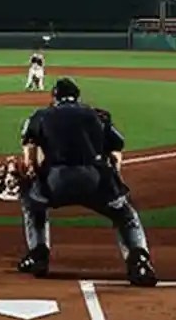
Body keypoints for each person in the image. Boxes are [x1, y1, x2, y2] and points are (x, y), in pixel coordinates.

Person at [17, 77, 157, 287]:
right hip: (94, 179)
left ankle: (38, 255)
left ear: (54, 97)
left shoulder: (40, 116)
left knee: (32, 203)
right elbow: (117, 148)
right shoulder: (98, 115)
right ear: (77, 96)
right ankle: (139, 262)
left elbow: (29, 155)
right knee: (125, 216)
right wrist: (113, 181)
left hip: (57, 181)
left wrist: (33, 176)